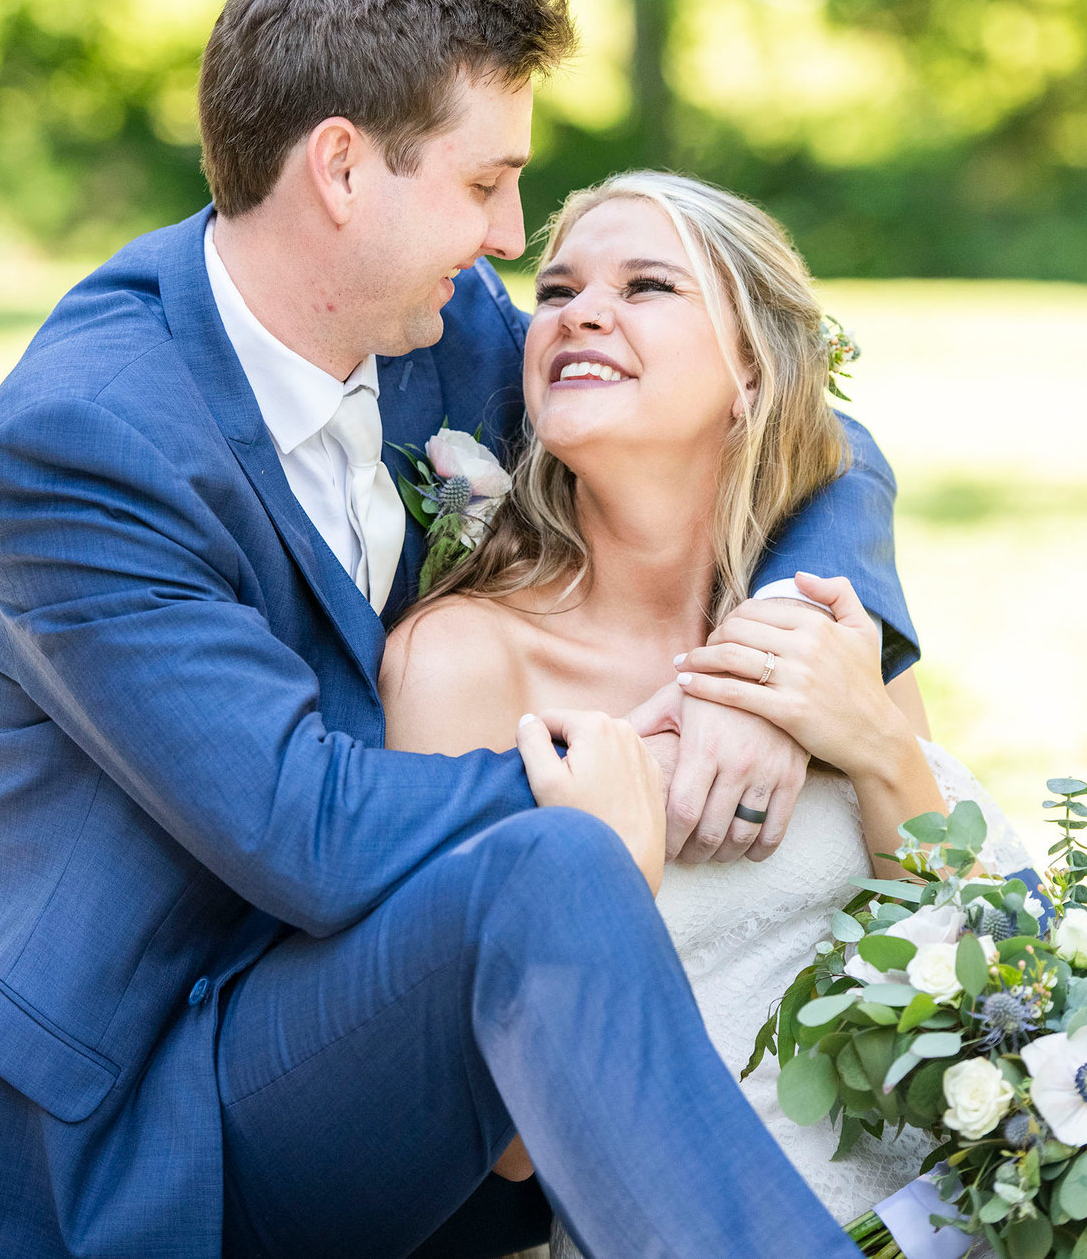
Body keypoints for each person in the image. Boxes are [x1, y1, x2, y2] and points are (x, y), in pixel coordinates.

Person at [0, 0, 915, 1259]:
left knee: (545, 876)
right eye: (487, 184)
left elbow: (788, 423)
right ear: (344, 169)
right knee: (551, 865)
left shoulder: (429, 326)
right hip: (157, 1112)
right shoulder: (86, 443)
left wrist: (768, 656)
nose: (511, 235)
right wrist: (613, 761)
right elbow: (299, 825)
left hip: (397, 1027)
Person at [380, 170, 1032, 1250]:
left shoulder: (820, 620)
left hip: (957, 1210)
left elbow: (981, 967)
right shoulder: (462, 660)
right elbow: (499, 1147)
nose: (582, 310)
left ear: (749, 371)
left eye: (647, 285)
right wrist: (609, 871)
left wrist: (869, 741)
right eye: (557, 289)